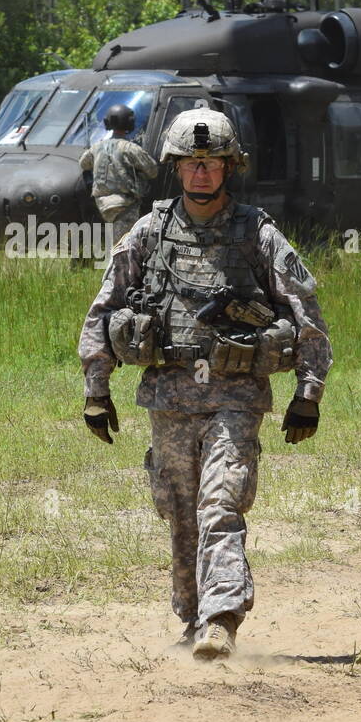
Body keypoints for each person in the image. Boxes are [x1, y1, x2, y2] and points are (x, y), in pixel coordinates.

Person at [77, 108, 332, 660]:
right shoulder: (149, 231)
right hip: (168, 397)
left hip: (235, 396)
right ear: (175, 166)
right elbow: (105, 308)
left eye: (211, 163)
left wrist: (307, 394)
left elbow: (305, 313)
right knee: (179, 511)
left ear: (229, 167)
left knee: (220, 503)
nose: (200, 173)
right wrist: (97, 390)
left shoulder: (258, 233)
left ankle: (221, 619)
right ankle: (192, 619)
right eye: (191, 163)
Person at [78, 103, 159, 247]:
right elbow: (153, 171)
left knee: (115, 241)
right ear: (129, 123)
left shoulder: (97, 147)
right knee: (124, 246)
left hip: (103, 203)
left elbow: (83, 164)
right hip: (125, 205)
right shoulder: (130, 148)